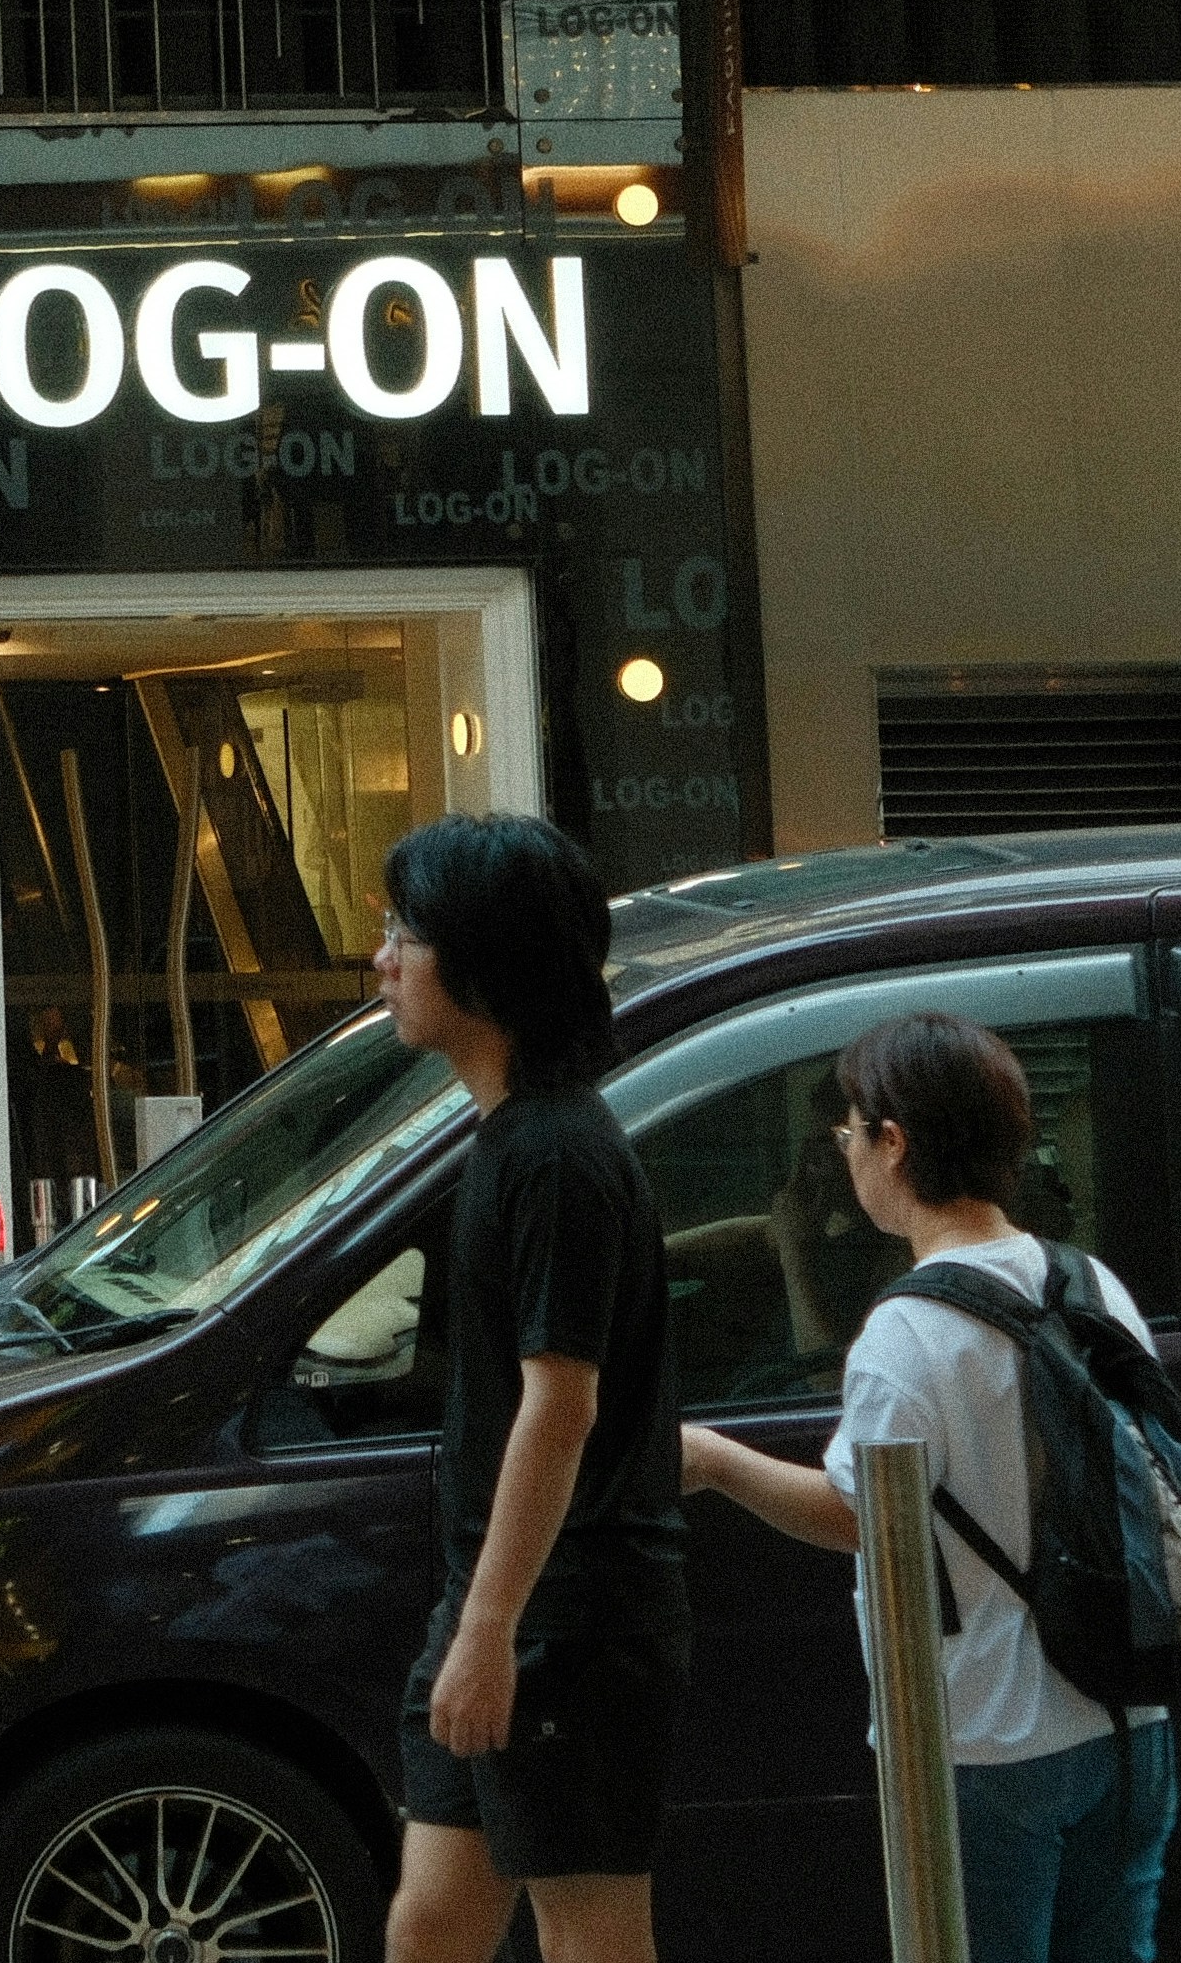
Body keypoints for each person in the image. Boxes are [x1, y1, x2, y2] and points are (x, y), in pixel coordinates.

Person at [678, 1014, 1175, 1963]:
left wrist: (712, 1459)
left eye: (849, 1128)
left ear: (893, 1143)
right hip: (1127, 1714)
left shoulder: (909, 1331)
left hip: (985, 1736)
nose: (844, 1150)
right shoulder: (1088, 1282)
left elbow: (864, 1513)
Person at [372, 811, 679, 1963]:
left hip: (570, 1621)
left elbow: (561, 1405)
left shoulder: (554, 1154)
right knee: (435, 1926)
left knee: (590, 1937)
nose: (385, 960)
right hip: (502, 1607)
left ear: (487, 959)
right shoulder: (511, 1139)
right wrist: (478, 1621)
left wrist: (490, 1627)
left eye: (409, 930)